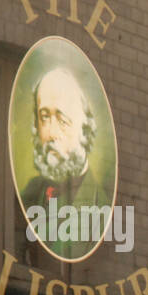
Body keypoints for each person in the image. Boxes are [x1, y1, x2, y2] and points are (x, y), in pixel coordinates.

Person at [19, 67, 110, 257]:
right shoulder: (28, 195)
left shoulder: (101, 209)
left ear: (84, 127)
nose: (51, 133)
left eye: (62, 121)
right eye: (44, 117)